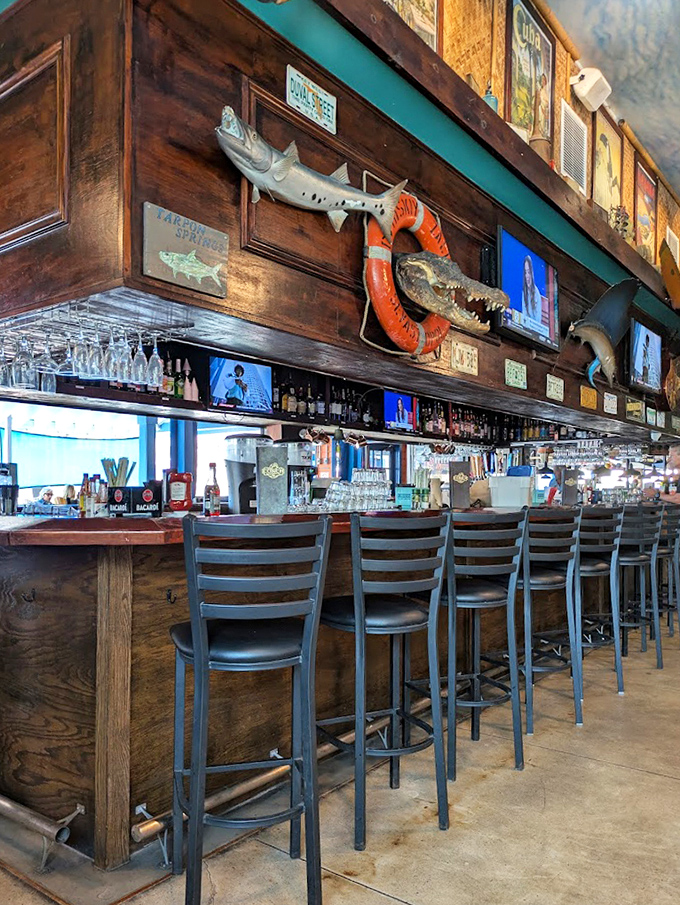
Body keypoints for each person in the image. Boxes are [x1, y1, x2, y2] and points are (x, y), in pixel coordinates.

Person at [522, 254, 543, 325]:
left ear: (532, 273)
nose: (527, 276)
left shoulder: (536, 293)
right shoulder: (524, 292)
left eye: (529, 272)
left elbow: (538, 321)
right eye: (525, 272)